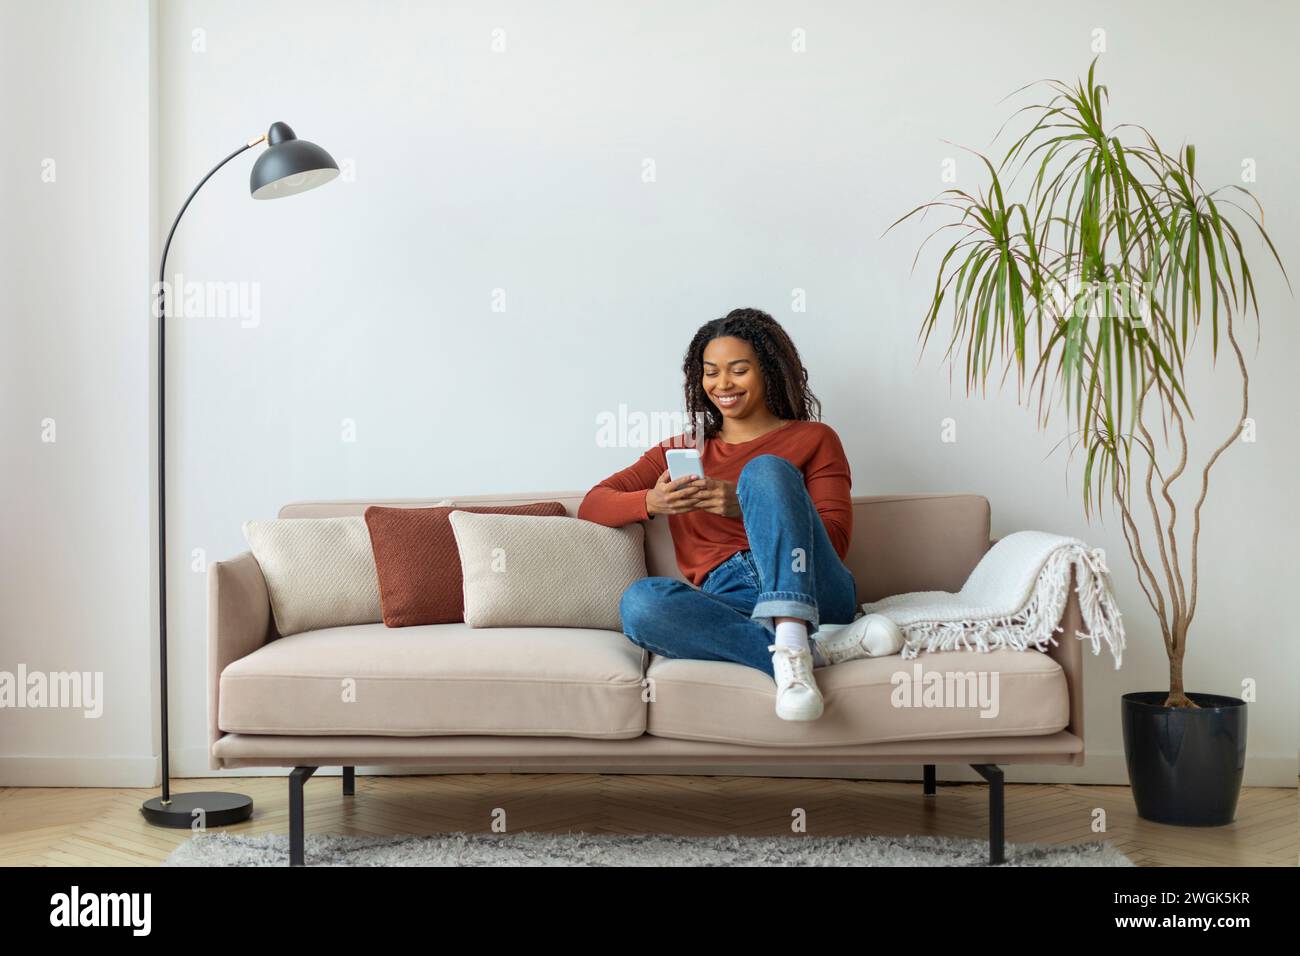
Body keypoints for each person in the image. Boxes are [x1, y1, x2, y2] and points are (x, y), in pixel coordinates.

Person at [578, 307, 902, 721]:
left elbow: (835, 540)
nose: (722, 384)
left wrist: (746, 505)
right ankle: (811, 654)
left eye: (738, 370)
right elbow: (593, 503)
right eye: (710, 372)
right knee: (641, 604)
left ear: (767, 370)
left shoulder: (814, 439)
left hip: (815, 587)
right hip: (731, 598)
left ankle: (791, 629)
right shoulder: (683, 449)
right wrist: (651, 503)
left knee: (765, 470)